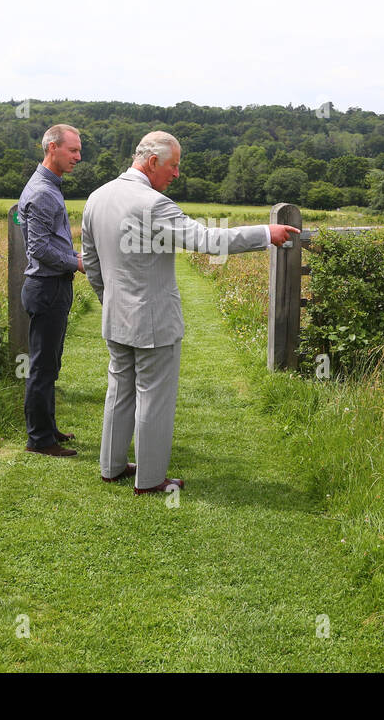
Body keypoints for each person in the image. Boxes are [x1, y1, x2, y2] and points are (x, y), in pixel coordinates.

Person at [81, 131, 299, 493]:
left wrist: (109, 302)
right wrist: (266, 232)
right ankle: (150, 481)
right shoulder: (154, 204)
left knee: (119, 391)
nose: (177, 174)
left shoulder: (96, 198)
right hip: (153, 323)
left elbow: (90, 262)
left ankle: (112, 467)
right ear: (152, 162)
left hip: (116, 319)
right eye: (174, 165)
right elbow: (209, 241)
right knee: (154, 396)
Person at [17, 123, 85, 457]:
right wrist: (77, 263)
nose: (78, 156)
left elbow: (47, 243)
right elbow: (40, 249)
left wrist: (72, 255)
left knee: (50, 363)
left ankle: (49, 428)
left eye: (78, 150)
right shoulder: (43, 192)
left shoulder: (47, 187)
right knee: (42, 367)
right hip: (47, 288)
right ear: (52, 148)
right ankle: (39, 440)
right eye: (72, 150)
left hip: (50, 286)